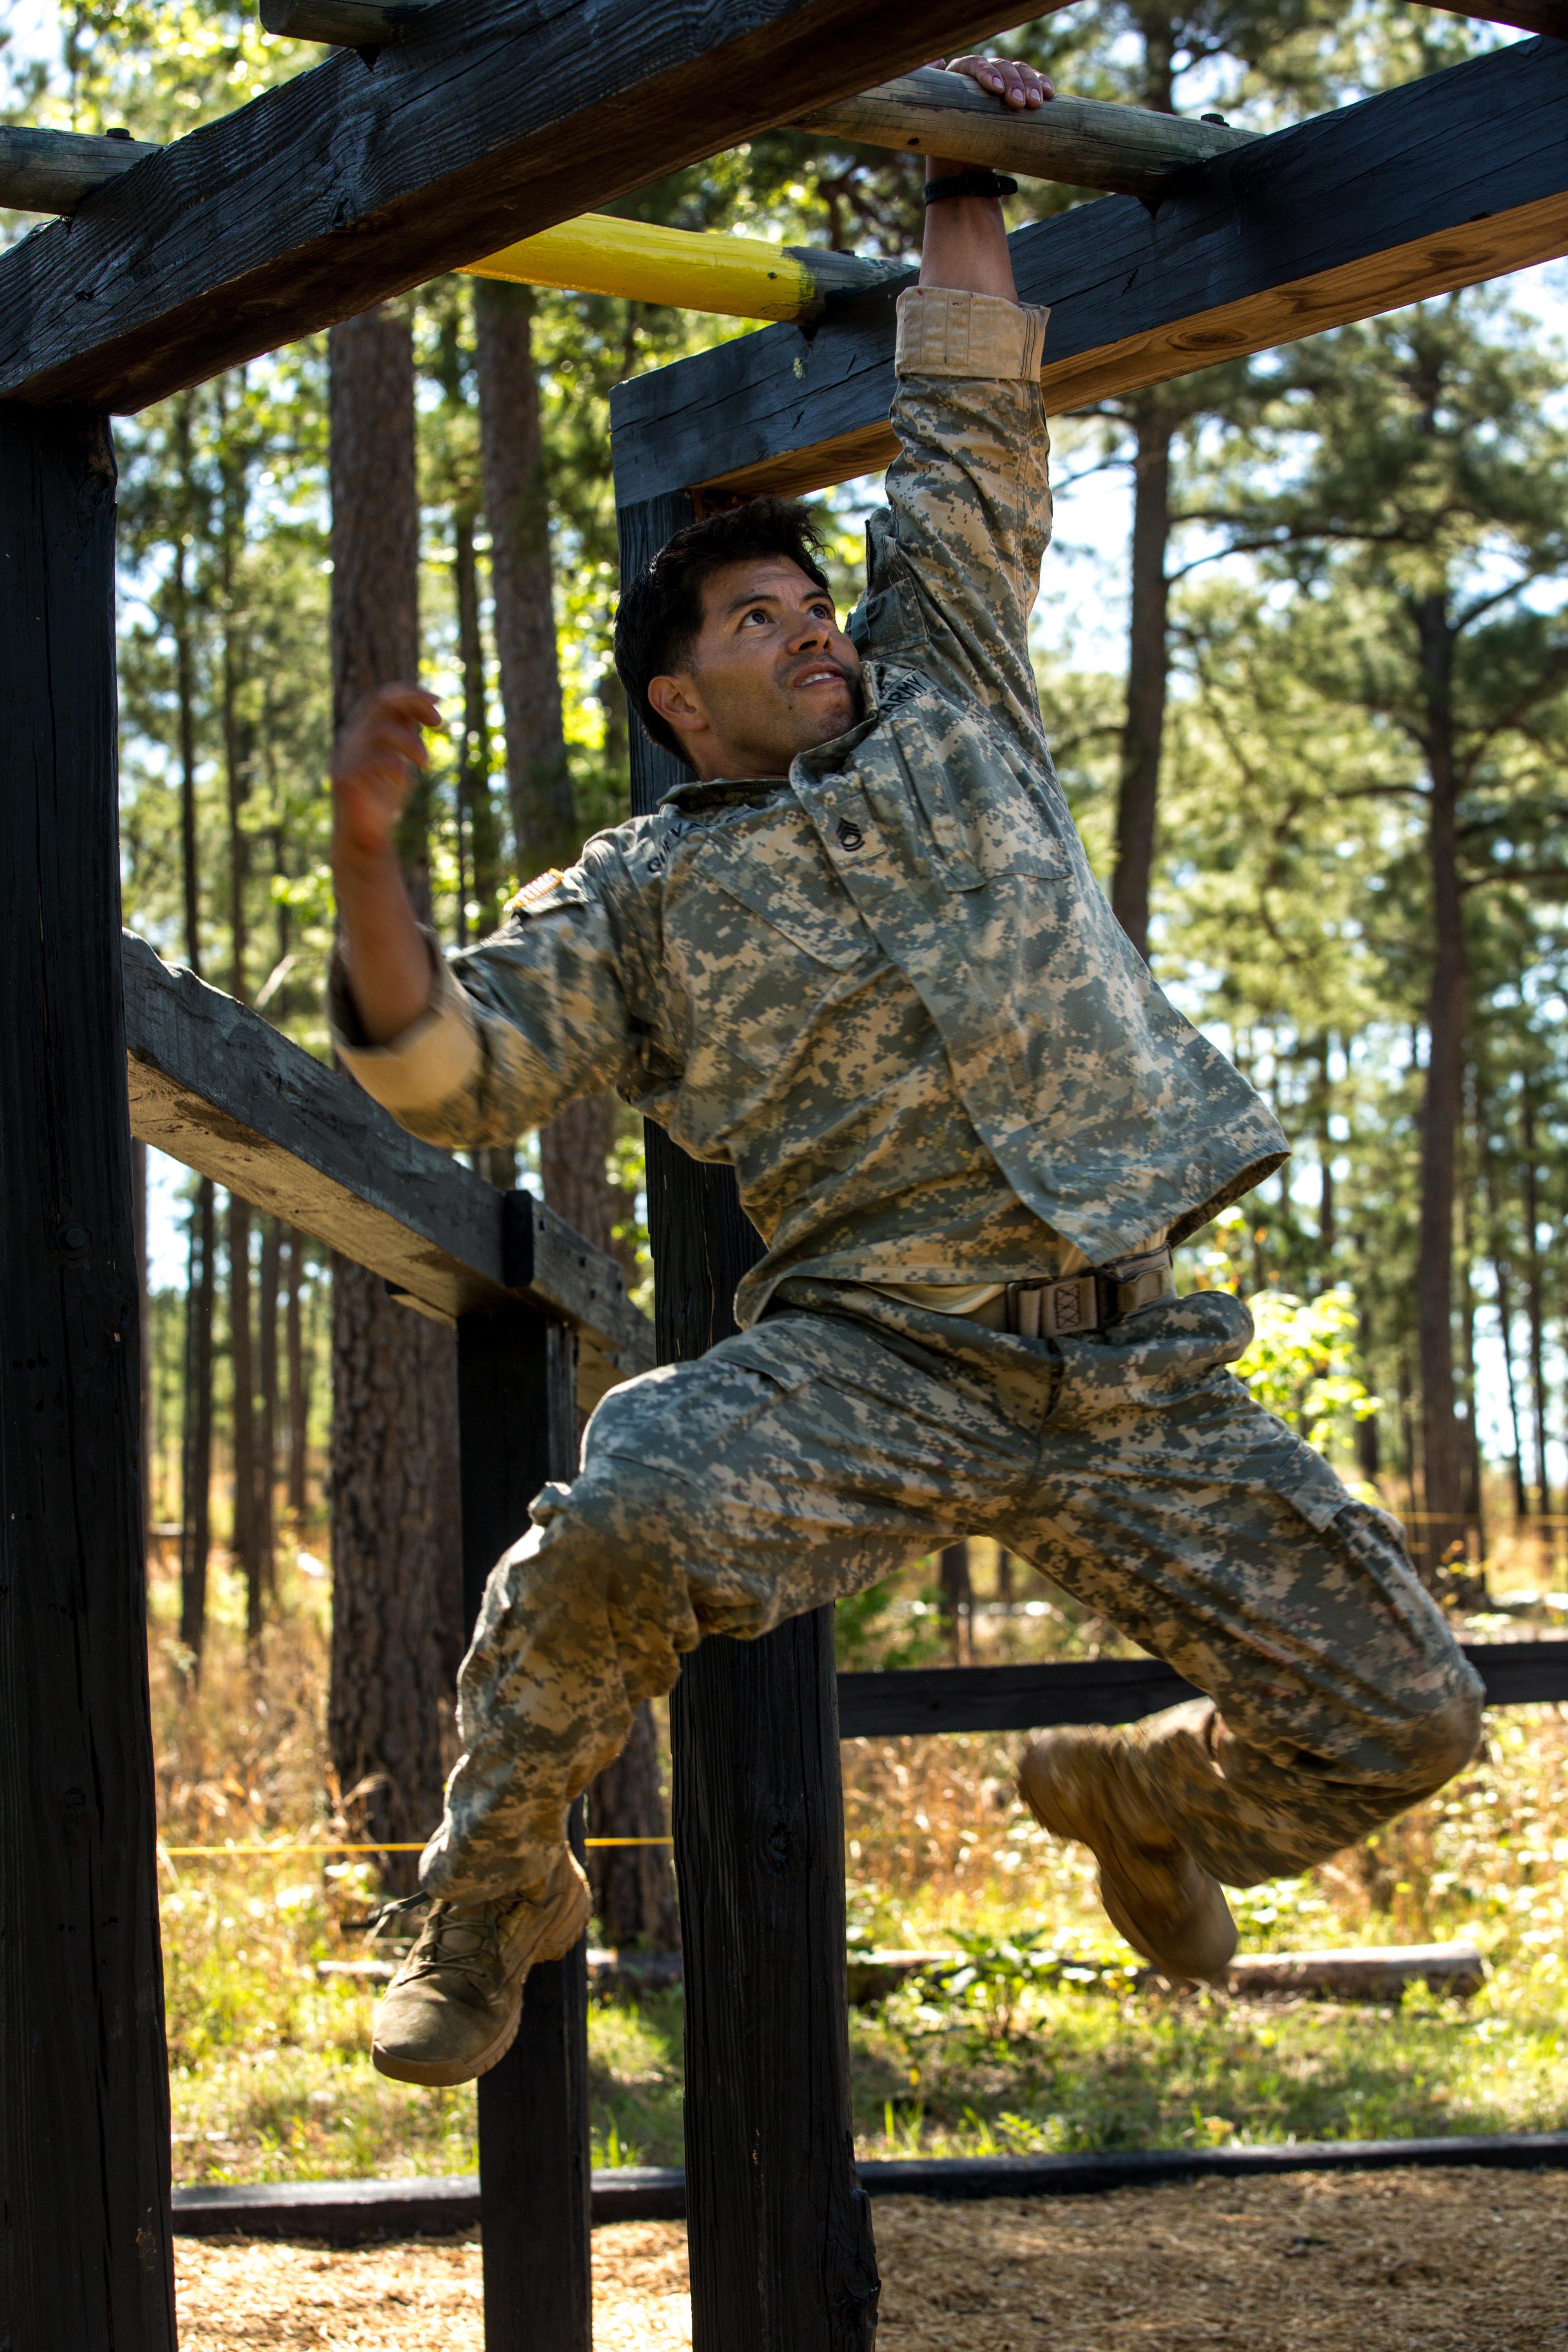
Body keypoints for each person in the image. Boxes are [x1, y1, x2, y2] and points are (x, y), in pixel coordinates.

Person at [328, 53, 1482, 2088]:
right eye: (766, 620)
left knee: (1408, 1720)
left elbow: (964, 417)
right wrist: (363, 858)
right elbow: (444, 1078)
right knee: (612, 1519)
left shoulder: (949, 699)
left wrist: (967, 151)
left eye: (818, 606)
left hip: (1141, 1363)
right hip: (884, 1361)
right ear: (682, 700)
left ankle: (1147, 1802)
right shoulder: (641, 897)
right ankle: (492, 1893)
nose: (819, 634)